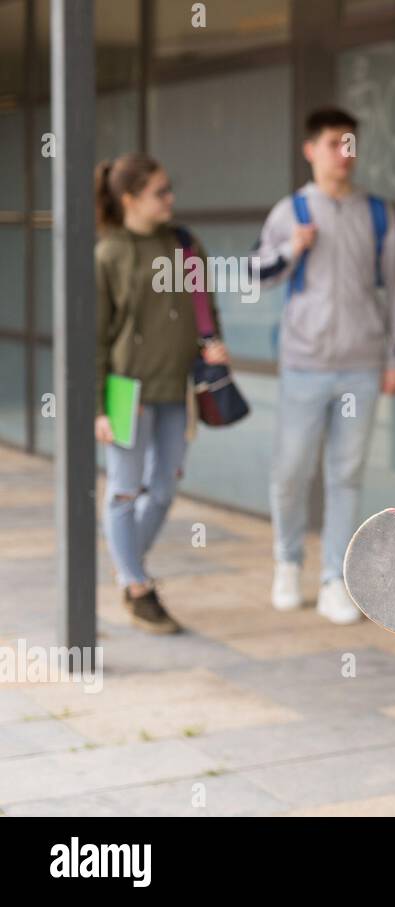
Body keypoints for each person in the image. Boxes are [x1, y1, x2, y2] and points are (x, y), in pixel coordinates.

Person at [253, 107, 395, 624]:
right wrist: (290, 250)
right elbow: (256, 274)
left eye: (350, 143)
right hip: (304, 365)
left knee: (345, 475)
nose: (344, 154)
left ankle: (333, 582)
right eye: (332, 144)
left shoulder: (379, 213)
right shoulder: (290, 211)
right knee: (291, 471)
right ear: (310, 150)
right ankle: (286, 562)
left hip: (362, 367)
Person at [94, 152, 231, 634]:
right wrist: (98, 408)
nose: (171, 198)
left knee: (166, 486)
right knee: (124, 491)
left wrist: (213, 343)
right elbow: (95, 336)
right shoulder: (108, 253)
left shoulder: (185, 242)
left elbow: (204, 306)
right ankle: (136, 584)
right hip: (124, 390)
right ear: (130, 198)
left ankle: (128, 563)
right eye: (160, 192)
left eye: (170, 189)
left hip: (178, 388)